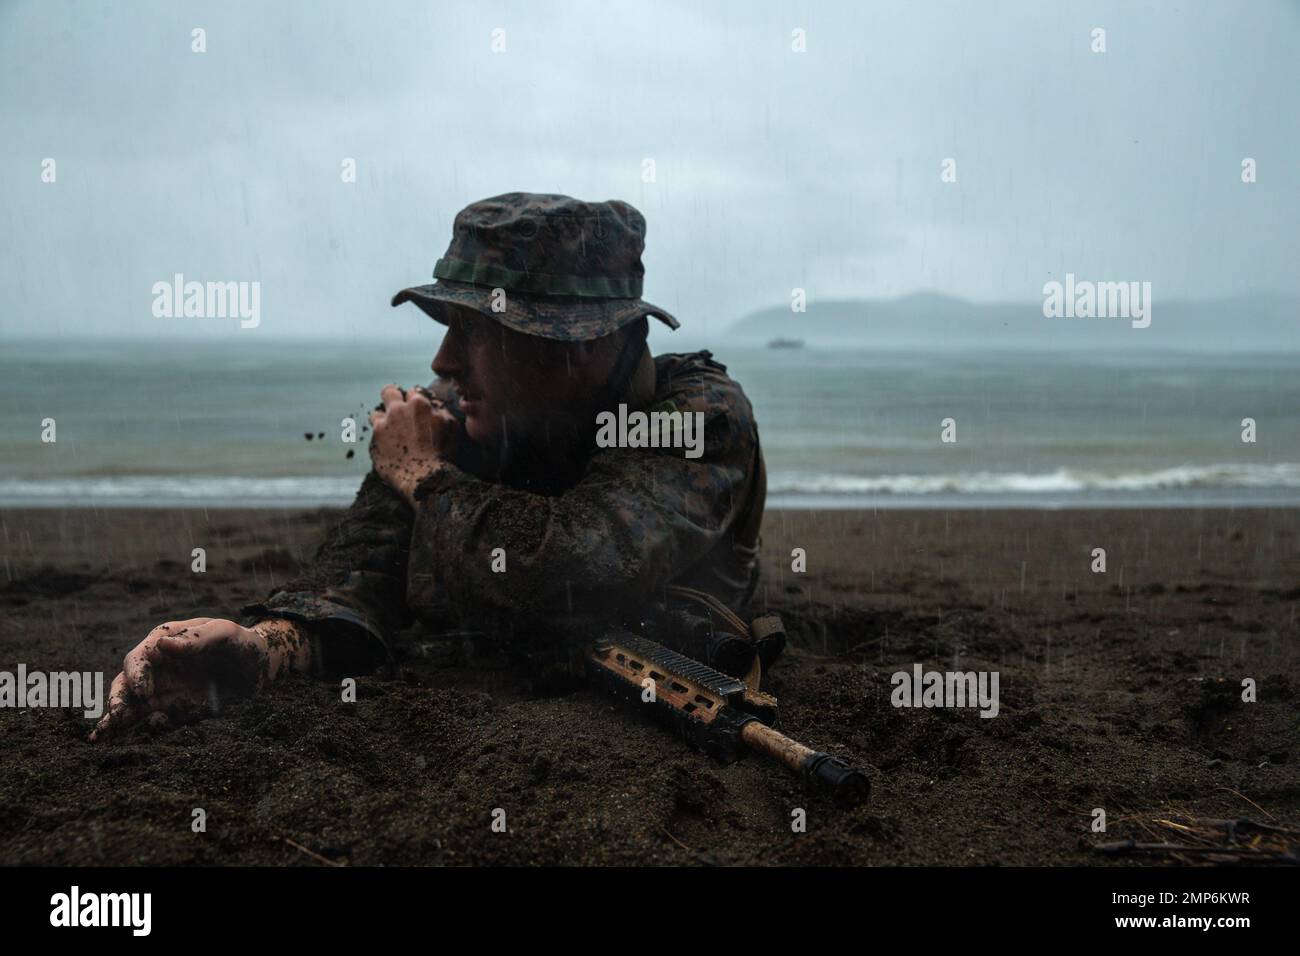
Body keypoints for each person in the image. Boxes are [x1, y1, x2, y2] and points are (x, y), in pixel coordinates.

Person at [90, 192, 773, 742]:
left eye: (474, 332)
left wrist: (425, 474)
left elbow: (572, 571)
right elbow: (364, 574)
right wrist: (261, 648)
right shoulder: (458, 415)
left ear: (576, 349)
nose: (443, 360)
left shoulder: (696, 419)